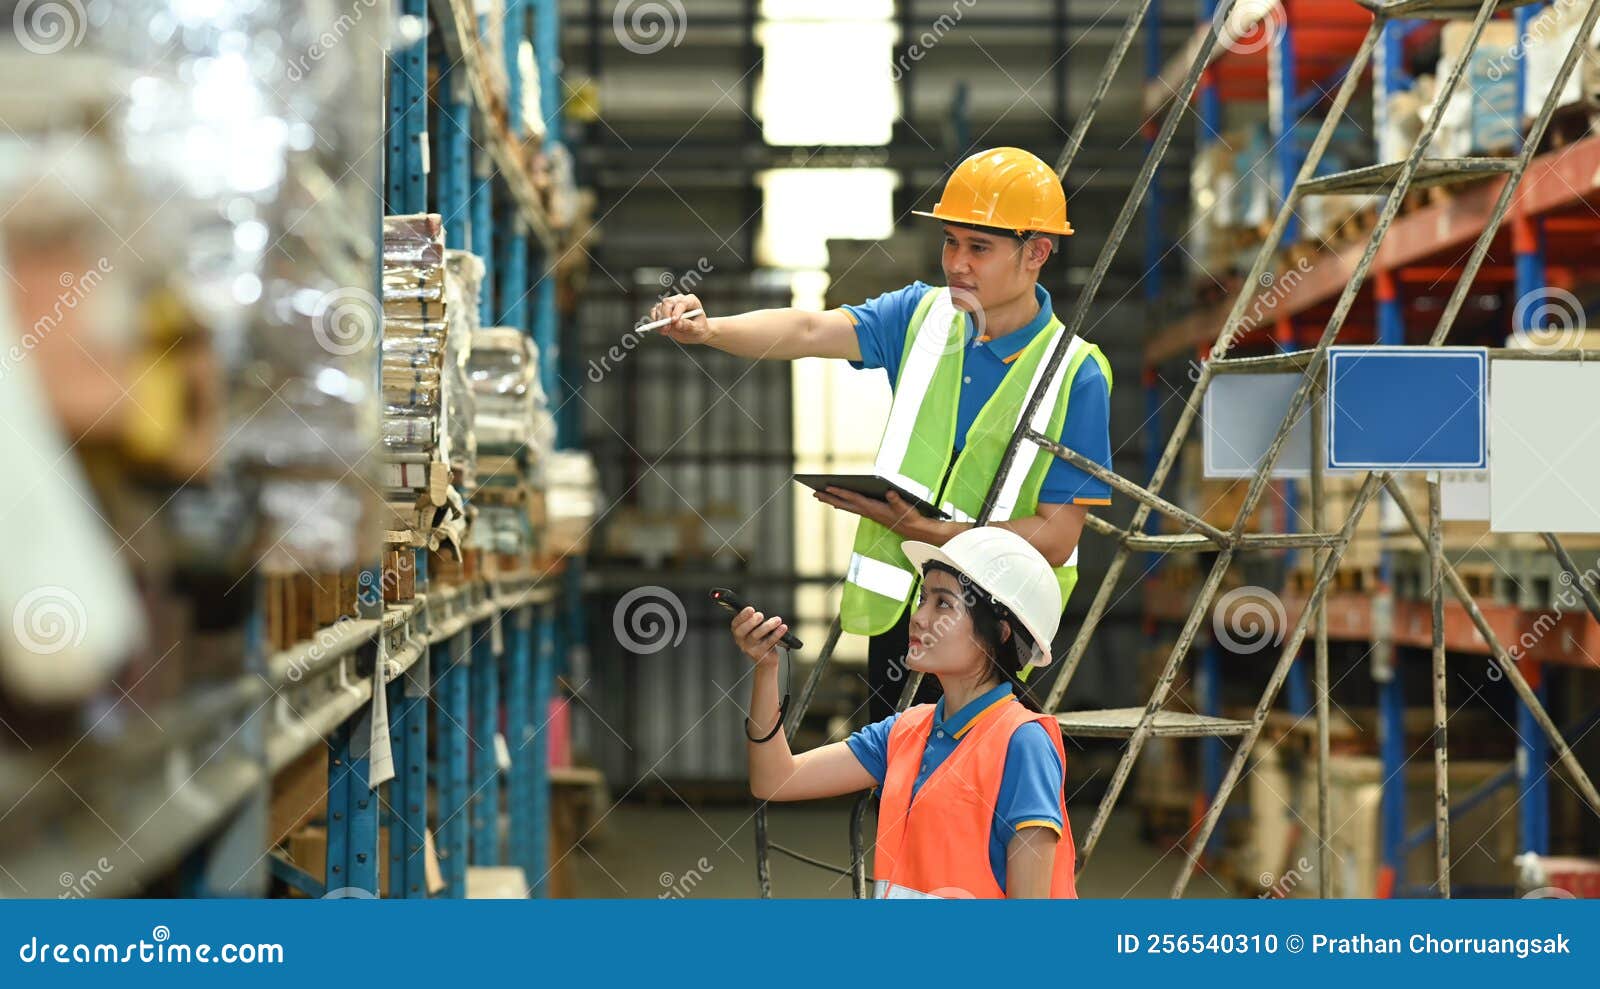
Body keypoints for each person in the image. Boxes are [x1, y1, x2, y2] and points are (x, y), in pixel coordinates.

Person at [651, 147, 1113, 720]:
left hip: (996, 630)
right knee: (891, 786)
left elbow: (1058, 534)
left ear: (1036, 254)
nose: (957, 264)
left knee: (966, 789)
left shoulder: (1076, 373)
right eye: (951, 241)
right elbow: (806, 328)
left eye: (979, 248)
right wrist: (710, 329)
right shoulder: (918, 317)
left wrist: (931, 531)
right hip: (903, 617)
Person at [733, 526, 1077, 898]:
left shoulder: (1024, 743)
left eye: (943, 604)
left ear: (1002, 632)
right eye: (922, 599)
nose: (918, 617)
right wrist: (767, 669)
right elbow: (774, 780)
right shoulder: (905, 732)